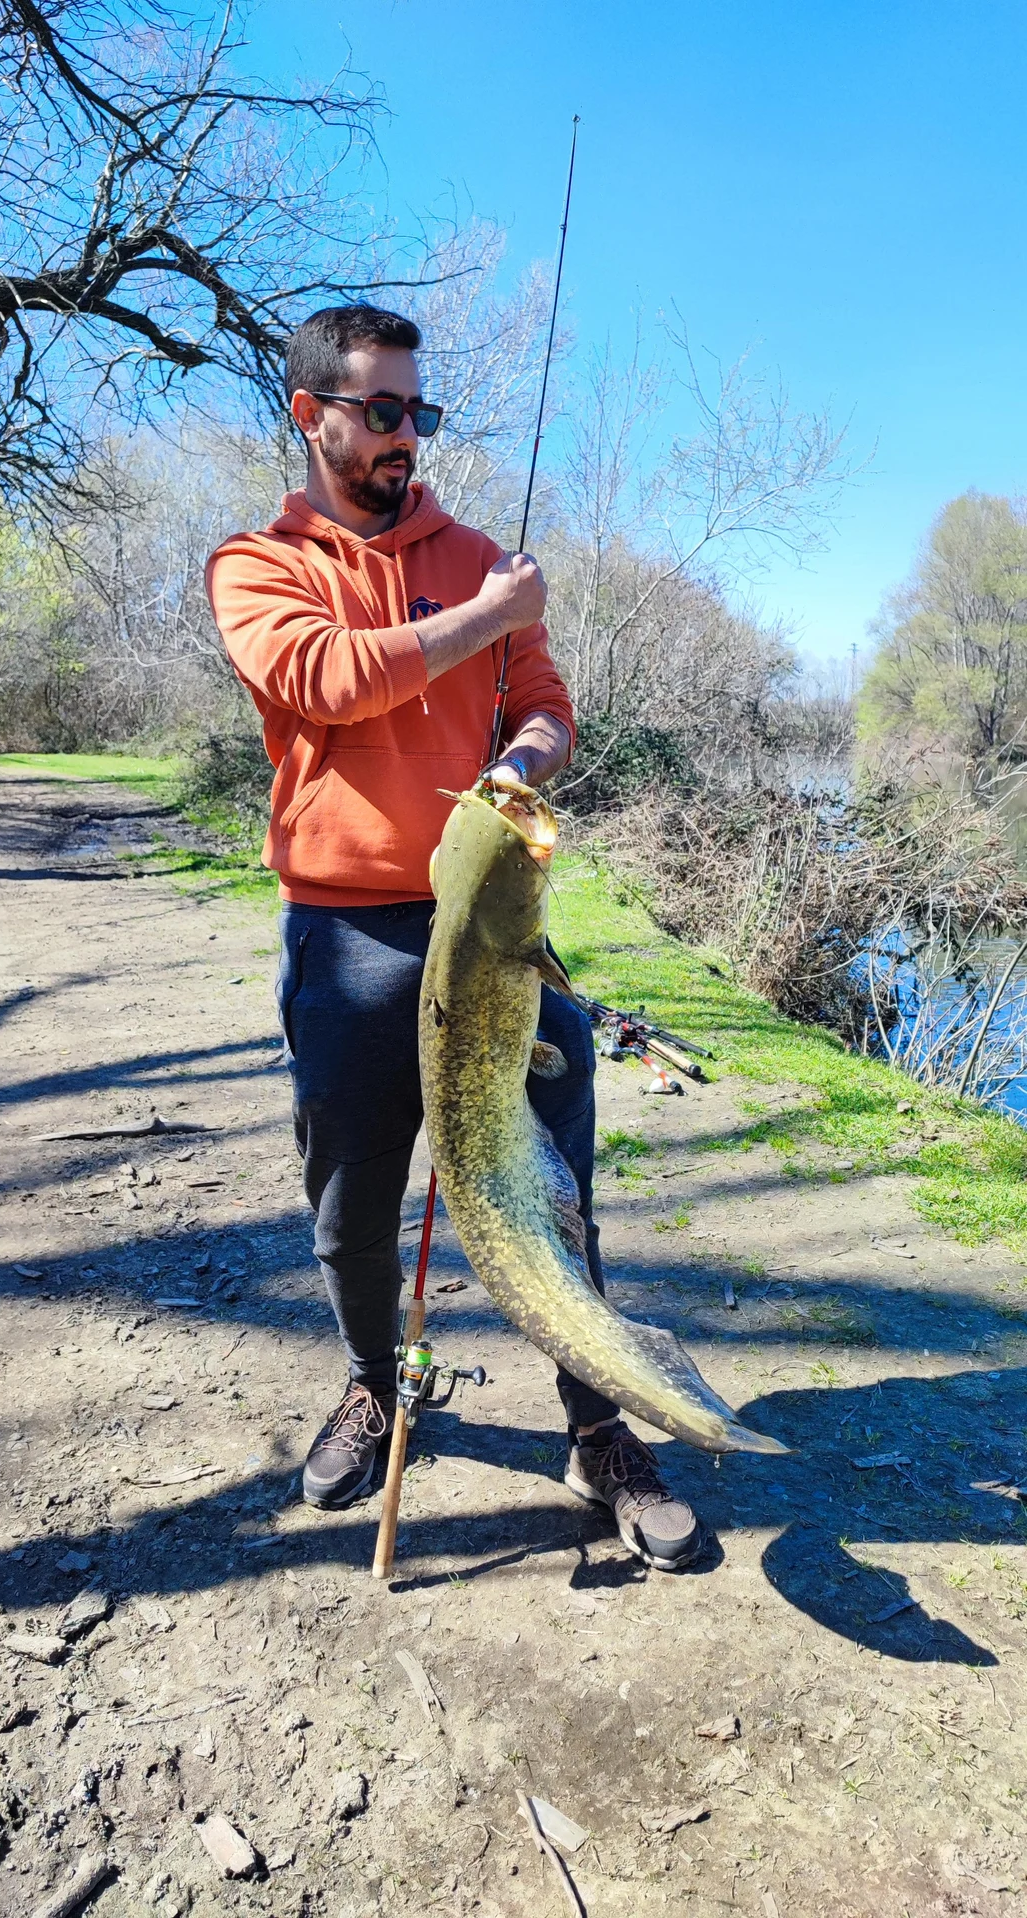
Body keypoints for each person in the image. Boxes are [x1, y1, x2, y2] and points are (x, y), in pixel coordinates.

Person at [206, 304, 703, 1572]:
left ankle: (597, 1422)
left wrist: (526, 758)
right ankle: (378, 1381)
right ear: (312, 414)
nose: (407, 436)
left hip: (483, 924)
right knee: (350, 1205)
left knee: (551, 1194)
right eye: (382, 411)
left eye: (420, 412)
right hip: (349, 939)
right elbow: (327, 679)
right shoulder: (258, 562)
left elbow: (542, 704)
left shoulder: (476, 554)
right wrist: (487, 617)